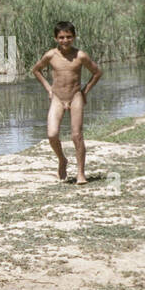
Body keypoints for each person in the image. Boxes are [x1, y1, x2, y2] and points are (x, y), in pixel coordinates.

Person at [30, 21, 102, 184]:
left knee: (77, 135)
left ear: (74, 37)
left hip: (75, 96)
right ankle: (62, 160)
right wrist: (48, 88)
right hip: (57, 97)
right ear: (55, 38)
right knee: (52, 134)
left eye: (69, 37)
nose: (65, 40)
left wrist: (85, 92)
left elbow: (97, 72)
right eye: (61, 37)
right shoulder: (51, 55)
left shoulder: (81, 56)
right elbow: (36, 70)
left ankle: (80, 173)